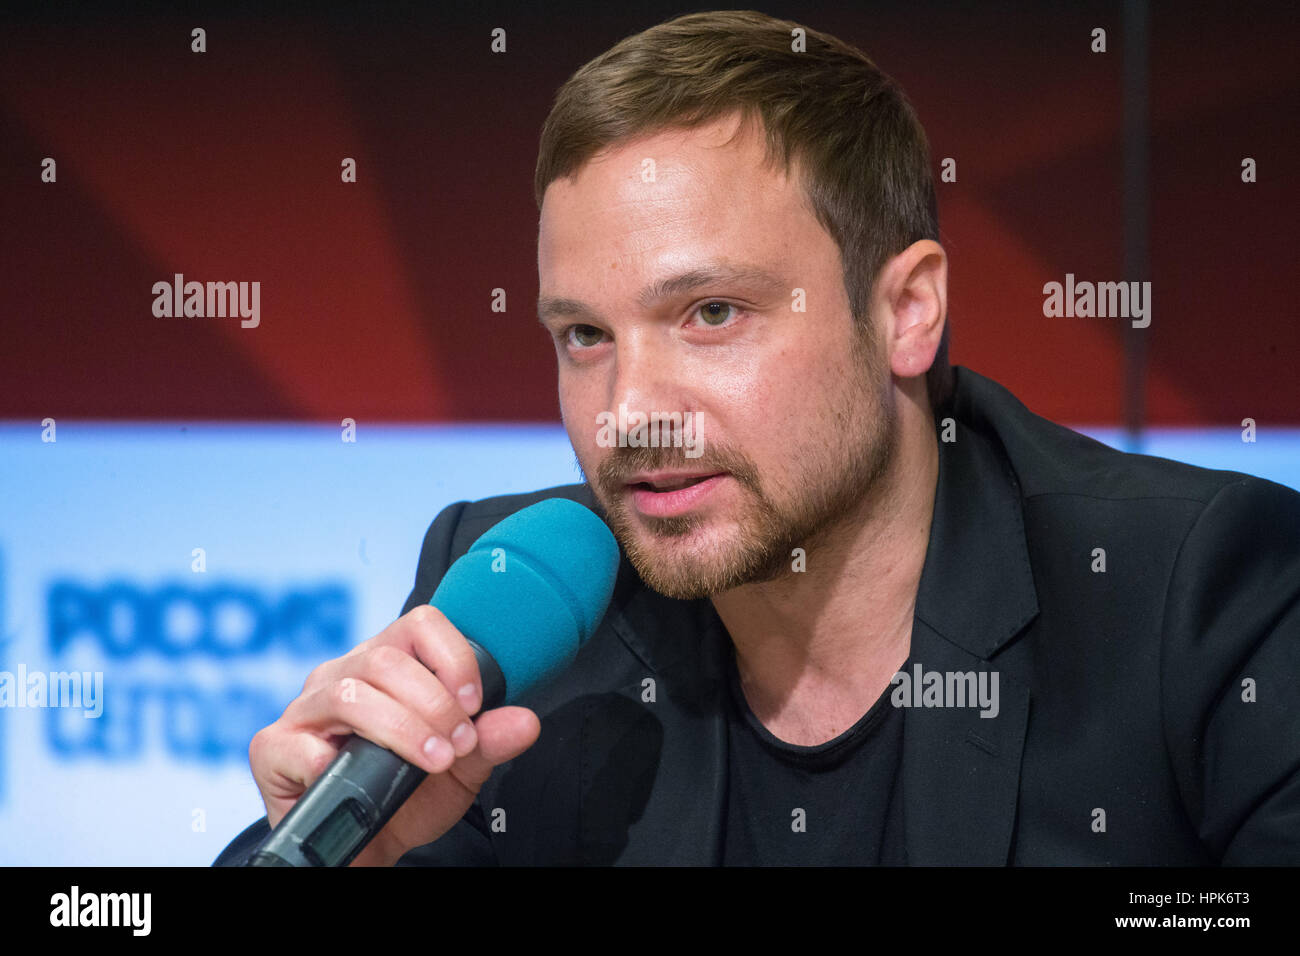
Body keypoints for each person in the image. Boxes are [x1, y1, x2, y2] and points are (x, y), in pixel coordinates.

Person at [215, 9, 1300, 866]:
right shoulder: (517, 602)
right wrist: (335, 849)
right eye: (584, 333)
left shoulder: (1195, 595)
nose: (628, 409)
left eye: (711, 313)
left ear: (906, 310)